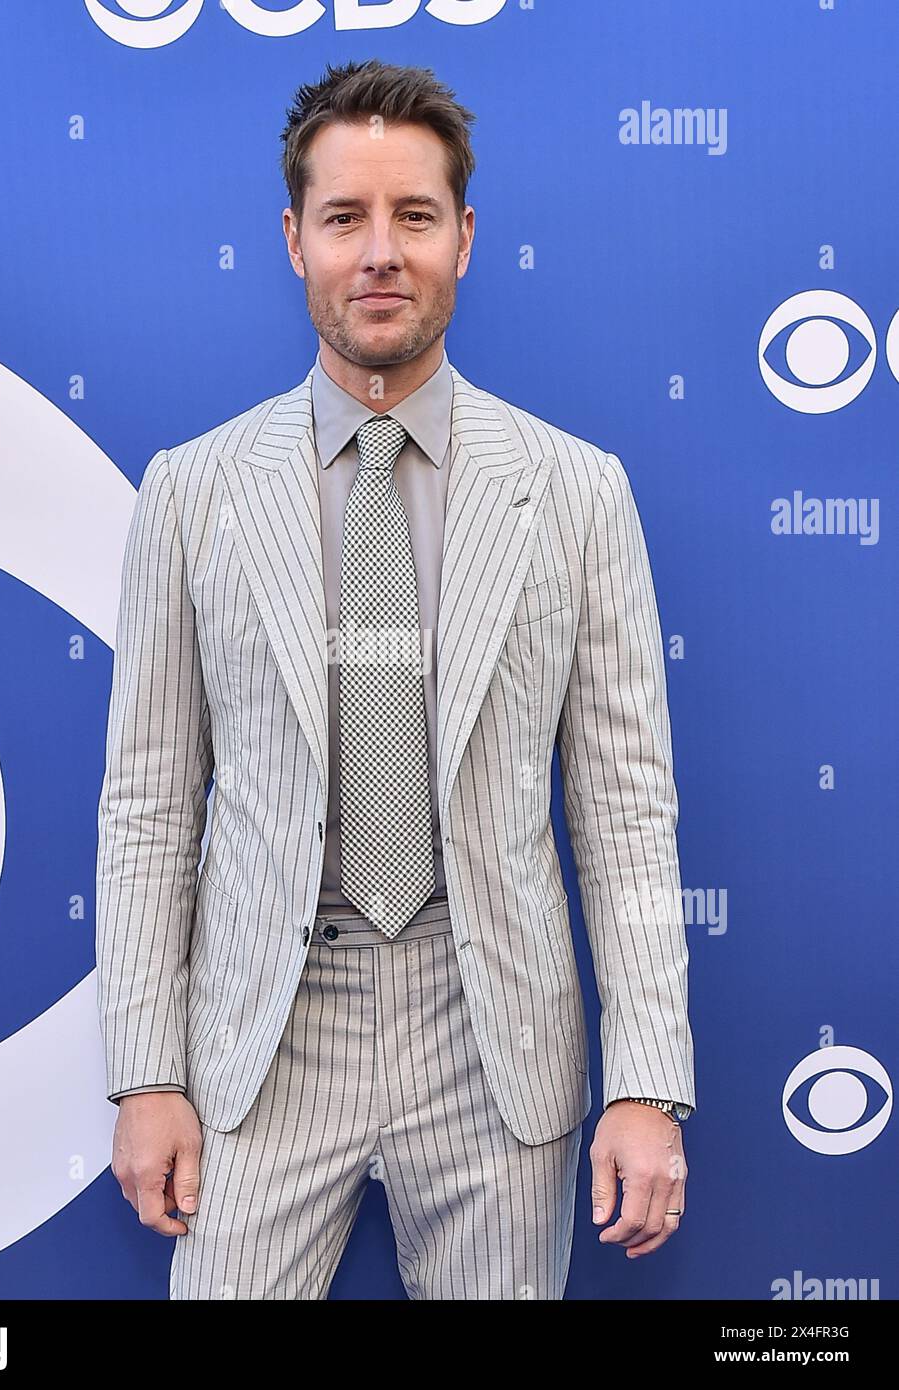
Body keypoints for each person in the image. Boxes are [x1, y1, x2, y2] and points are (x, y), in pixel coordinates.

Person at [95, 58, 696, 1301]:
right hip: (262, 1038)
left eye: (413, 217)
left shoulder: (577, 493)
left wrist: (643, 1082)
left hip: (495, 1040)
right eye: (345, 218)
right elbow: (148, 805)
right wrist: (145, 1070)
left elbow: (626, 814)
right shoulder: (192, 492)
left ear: (464, 239)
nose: (380, 252)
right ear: (293, 238)